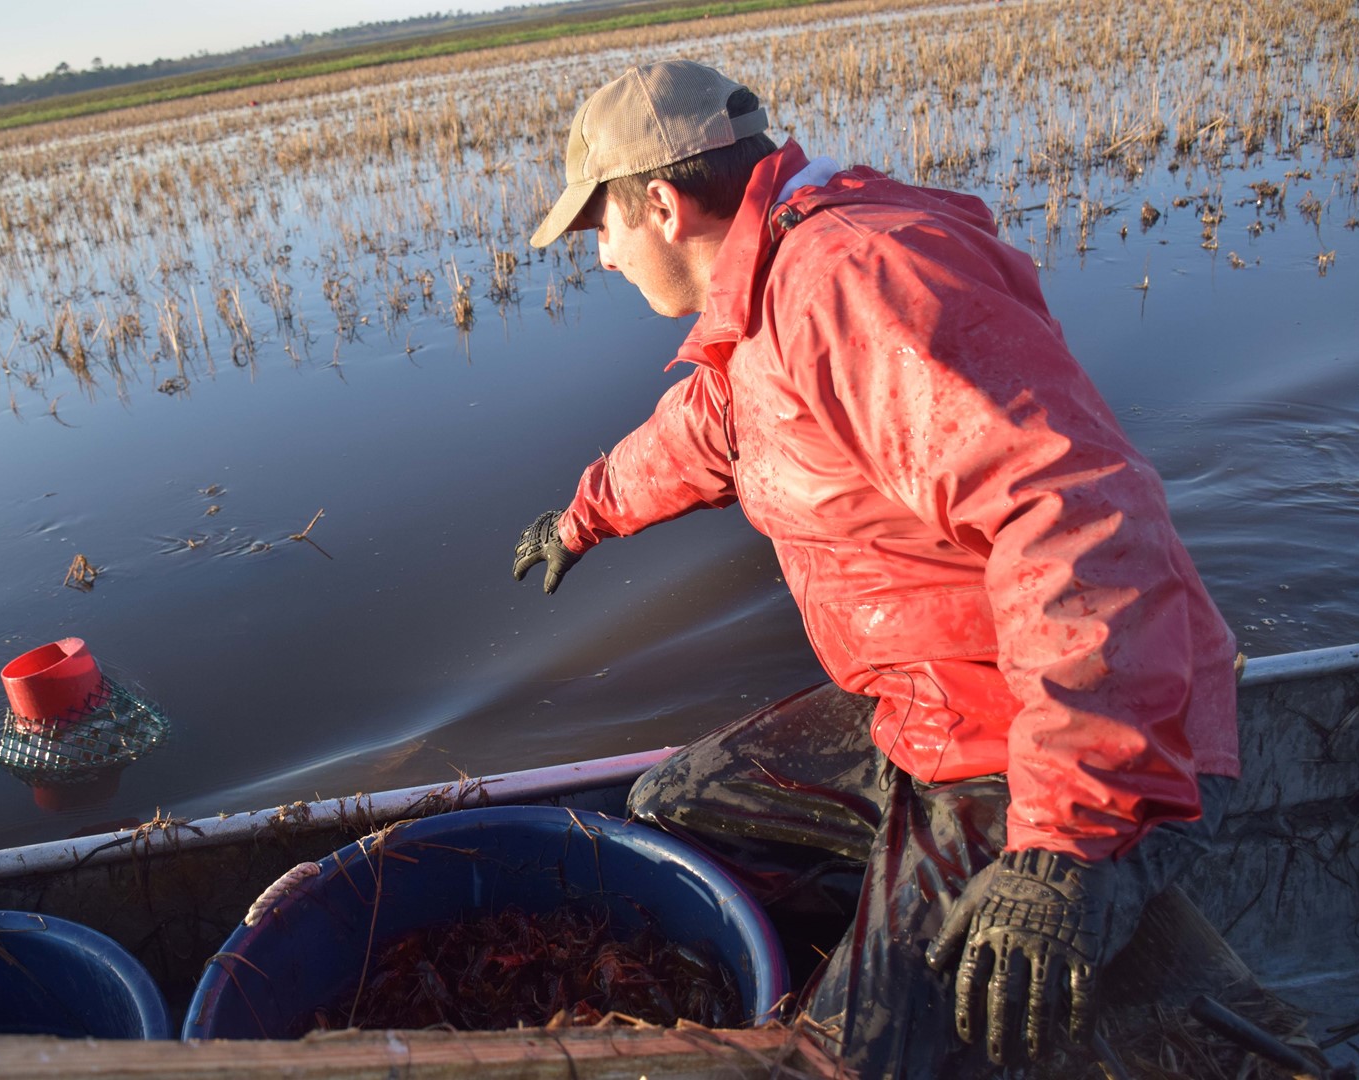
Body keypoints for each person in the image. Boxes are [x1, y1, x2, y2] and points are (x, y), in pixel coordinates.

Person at [511, 59, 1241, 1077]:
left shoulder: (854, 283)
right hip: (927, 708)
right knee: (670, 812)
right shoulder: (768, 289)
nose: (601, 258)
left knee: (846, 1064)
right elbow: (715, 429)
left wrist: (1057, 844)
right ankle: (925, 936)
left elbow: (1078, 523)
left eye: (600, 230)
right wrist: (579, 518)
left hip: (1038, 746)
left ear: (664, 206)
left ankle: (1072, 918)